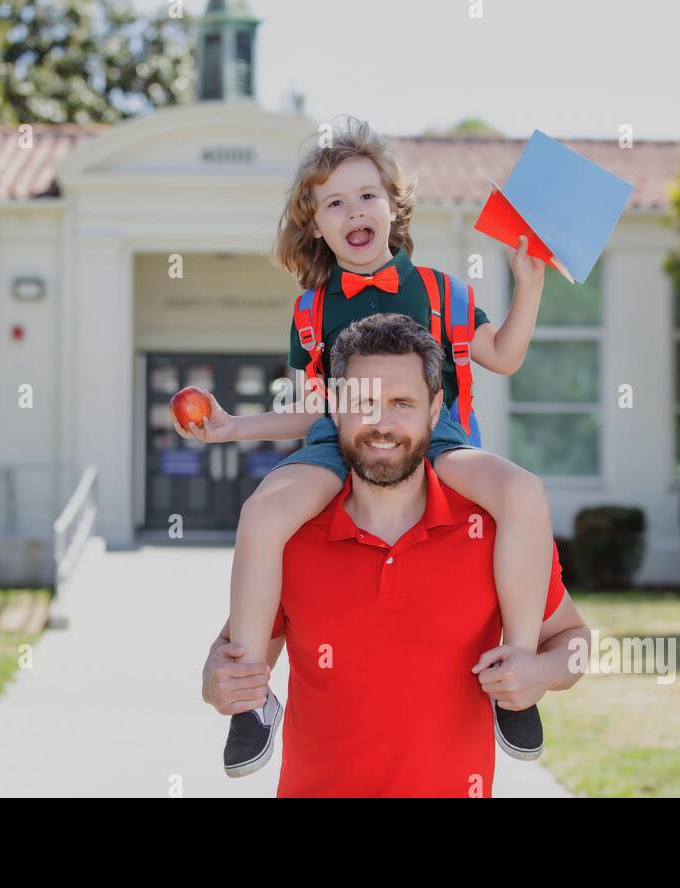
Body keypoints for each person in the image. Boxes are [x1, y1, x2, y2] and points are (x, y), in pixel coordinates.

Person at [175, 115, 559, 777]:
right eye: (334, 203)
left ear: (392, 208)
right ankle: (250, 700)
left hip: (437, 439)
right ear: (316, 226)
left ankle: (515, 674)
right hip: (334, 439)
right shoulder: (309, 312)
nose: (354, 210)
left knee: (523, 491)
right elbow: (309, 412)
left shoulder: (444, 291)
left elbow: (503, 355)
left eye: (367, 196)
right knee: (264, 511)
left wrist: (528, 286)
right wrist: (235, 426)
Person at [201, 313, 588, 796]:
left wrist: (542, 671)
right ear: (335, 410)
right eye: (363, 402)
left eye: (402, 403)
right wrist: (216, 681)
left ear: (434, 409)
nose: (382, 423)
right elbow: (232, 656)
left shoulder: (493, 530)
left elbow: (573, 639)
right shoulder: (289, 535)